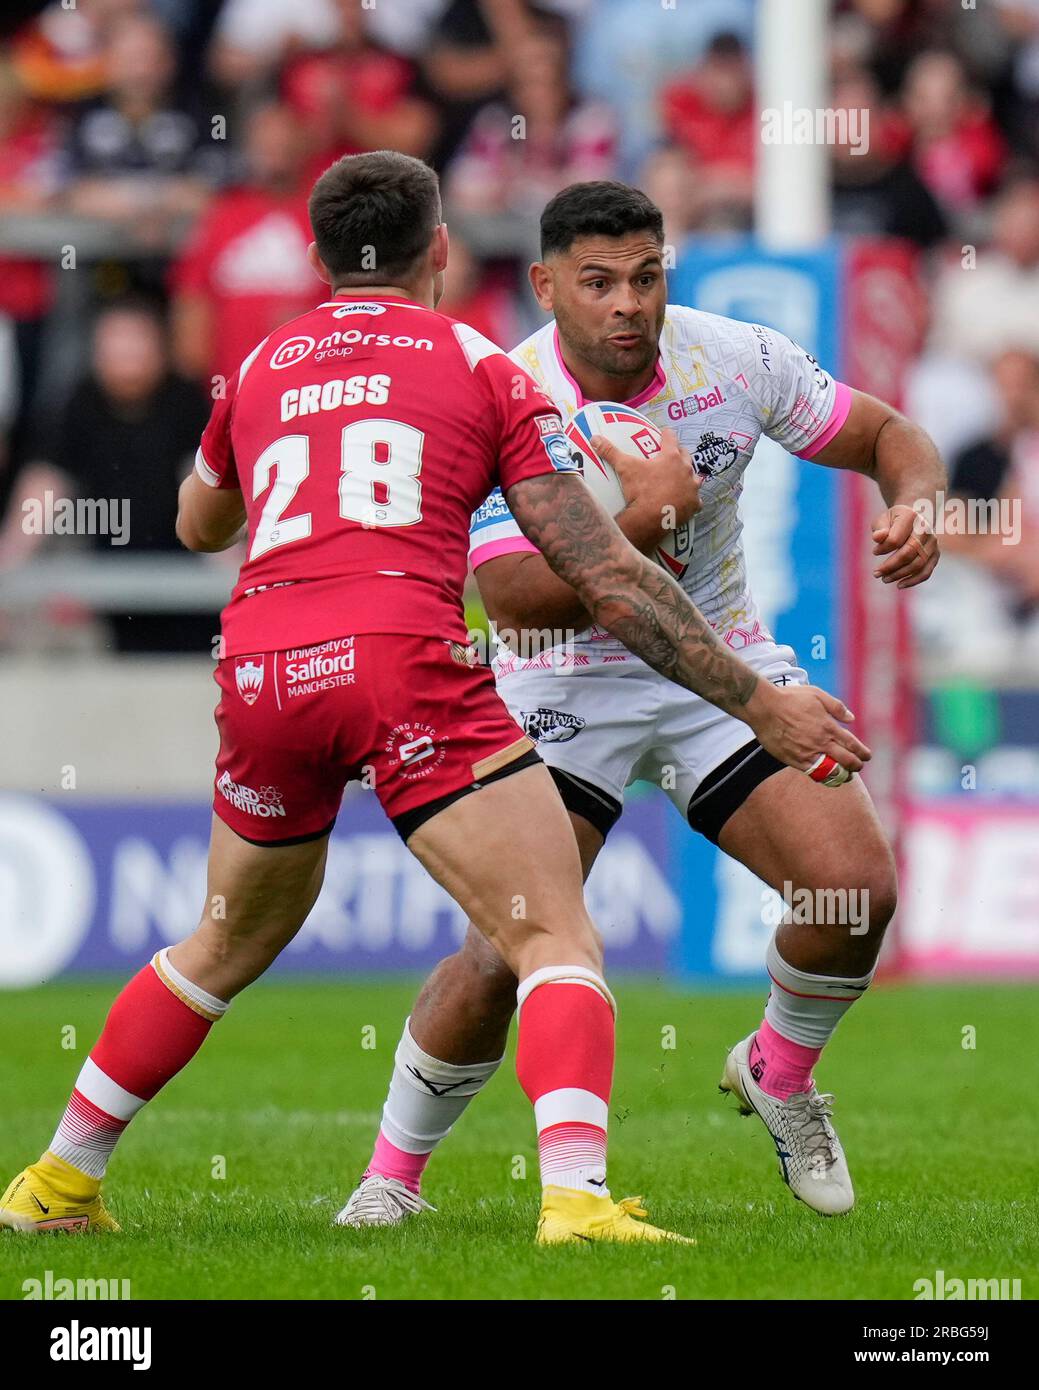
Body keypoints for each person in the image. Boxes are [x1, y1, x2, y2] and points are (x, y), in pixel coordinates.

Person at [0, 153, 865, 1246]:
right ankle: (576, 1203)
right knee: (551, 929)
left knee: (215, 945)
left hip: (262, 669)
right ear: (442, 249)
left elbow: (197, 527)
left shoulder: (264, 363)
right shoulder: (483, 367)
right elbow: (595, 575)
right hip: (402, 661)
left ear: (316, 259)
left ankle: (57, 1179)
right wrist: (749, 687)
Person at [339, 179, 945, 1230]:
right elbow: (514, 606)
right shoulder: (499, 389)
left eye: (646, 275)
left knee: (854, 892)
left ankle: (779, 1072)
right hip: (560, 682)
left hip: (719, 665)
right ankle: (391, 1177)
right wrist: (648, 514)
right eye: (598, 281)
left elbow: (890, 433)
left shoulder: (735, 358)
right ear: (546, 287)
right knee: (505, 949)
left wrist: (918, 498)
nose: (627, 302)